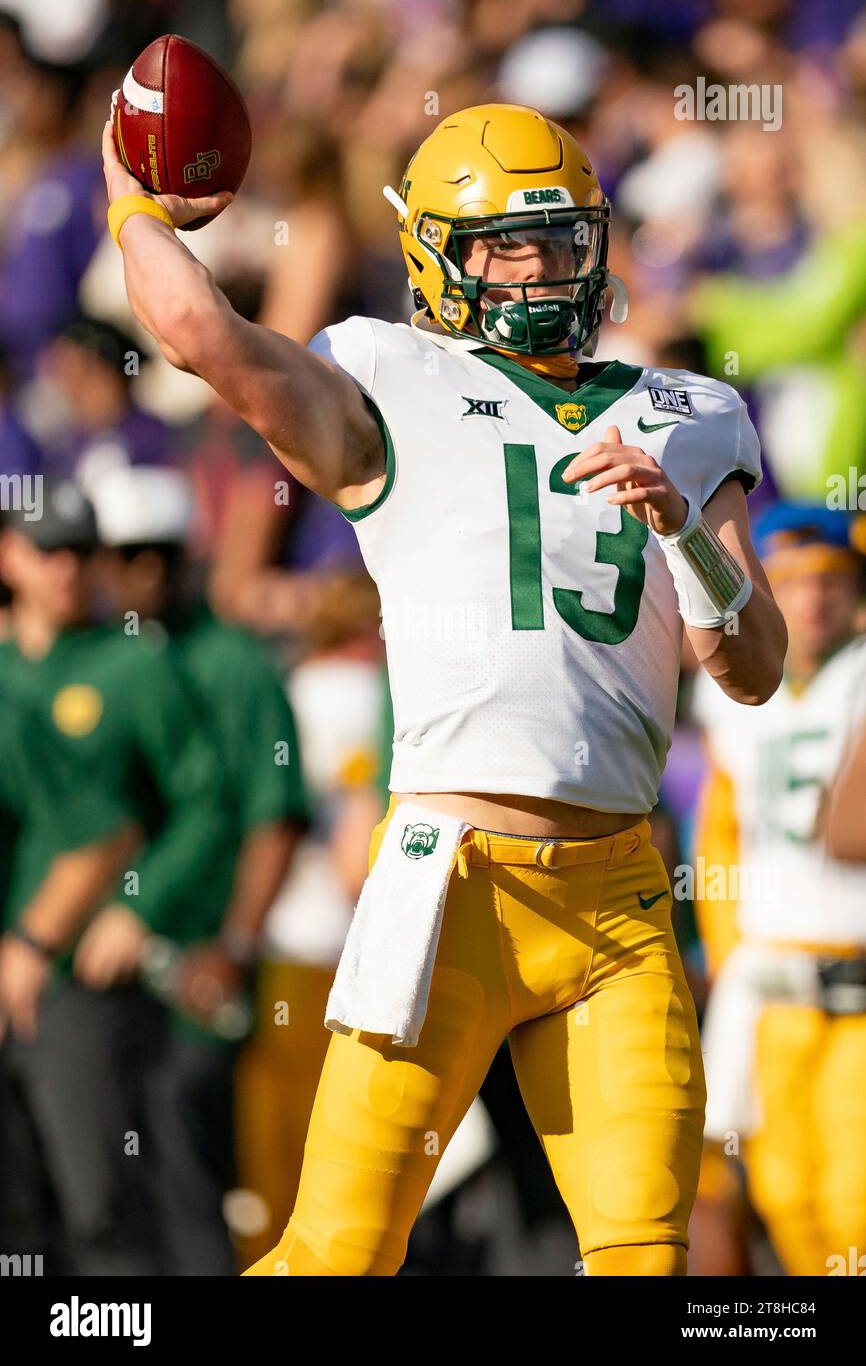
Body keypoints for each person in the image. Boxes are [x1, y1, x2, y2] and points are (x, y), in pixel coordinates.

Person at [103, 101, 786, 1277]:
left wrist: (685, 534)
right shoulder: (388, 374)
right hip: (451, 881)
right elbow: (195, 333)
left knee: (642, 1255)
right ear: (433, 257)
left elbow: (756, 667)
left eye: (559, 240)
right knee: (338, 1253)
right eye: (501, 247)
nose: (535, 270)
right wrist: (136, 200)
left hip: (618, 894)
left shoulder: (688, 413)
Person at [0, 476, 231, 1274]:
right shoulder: (5, 672)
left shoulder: (135, 667)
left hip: (83, 976)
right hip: (12, 966)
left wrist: (142, 908)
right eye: (47, 549)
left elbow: (207, 808)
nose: (65, 568)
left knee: (106, 1203)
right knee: (20, 1213)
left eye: (80, 551)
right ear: (11, 555)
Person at [87, 463, 311, 1275]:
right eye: (124, 555)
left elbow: (274, 816)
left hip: (197, 960)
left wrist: (236, 946)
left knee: (184, 1159)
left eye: (158, 554)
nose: (141, 574)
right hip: (102, 962)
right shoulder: (98, 659)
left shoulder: (235, 665)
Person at [693, 503, 866, 1277]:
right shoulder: (729, 691)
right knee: (784, 1193)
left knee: (854, 1204)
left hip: (855, 986)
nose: (811, 597)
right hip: (774, 988)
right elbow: (718, 838)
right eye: (790, 580)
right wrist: (731, 956)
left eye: (830, 578)